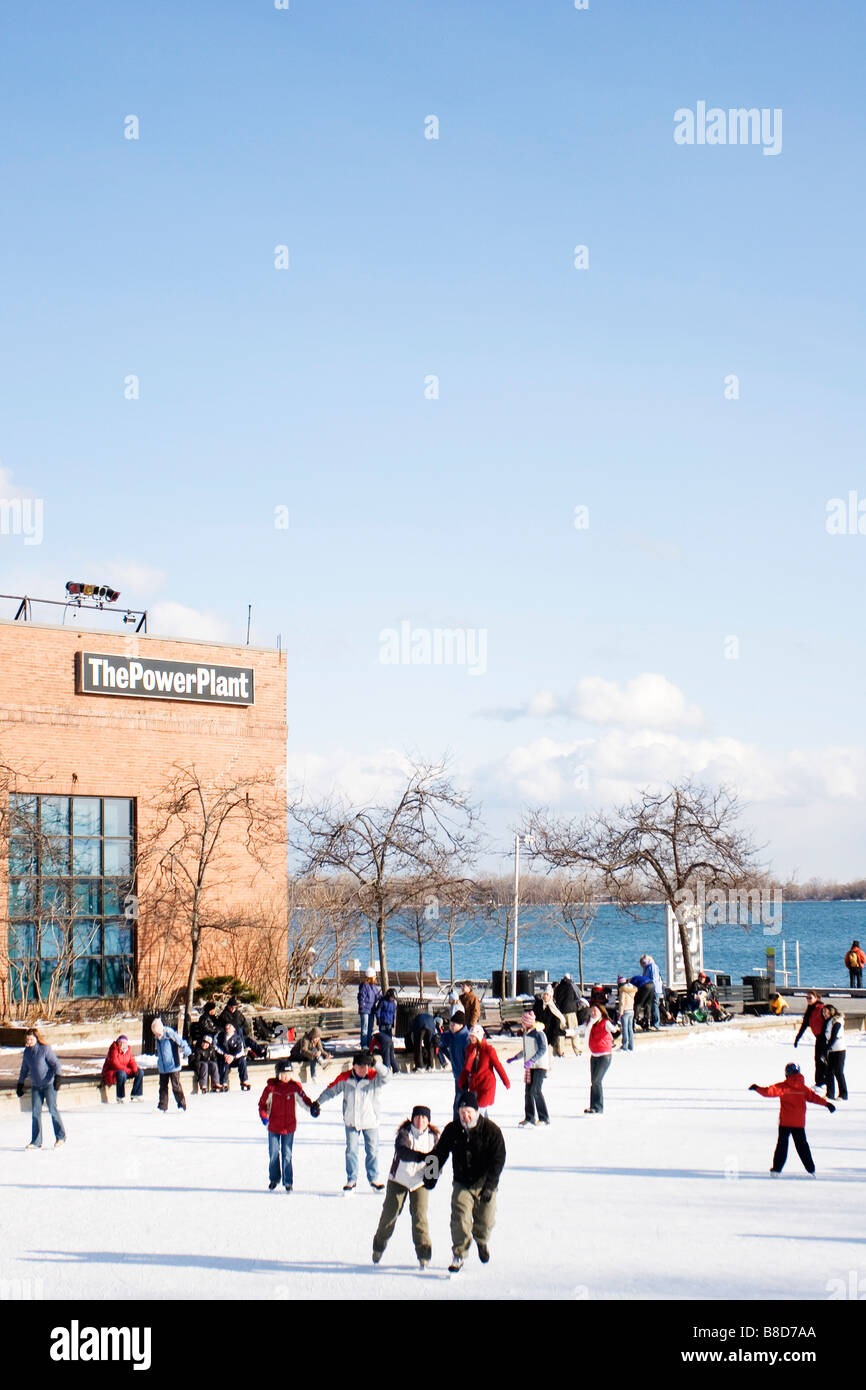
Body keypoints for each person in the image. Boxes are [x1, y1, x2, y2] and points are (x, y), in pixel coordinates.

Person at [423, 1090, 506, 1273]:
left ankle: (482, 1240)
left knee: (486, 1219)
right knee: (460, 1218)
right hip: (462, 1182)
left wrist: (490, 1185)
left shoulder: (491, 1130)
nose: (465, 1116)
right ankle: (459, 1253)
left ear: (476, 1112)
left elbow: (498, 1159)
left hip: (485, 1182)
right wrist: (430, 1176)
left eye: (468, 1112)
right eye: (461, 1113)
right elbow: (439, 1153)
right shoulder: (453, 1130)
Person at [372, 1105, 440, 1269]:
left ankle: (424, 1254)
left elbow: (438, 1159)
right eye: (417, 1117)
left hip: (419, 1182)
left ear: (428, 1121)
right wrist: (421, 1157)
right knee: (389, 1215)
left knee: (420, 1217)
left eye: (424, 1118)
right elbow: (402, 1151)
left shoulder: (433, 1138)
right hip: (399, 1179)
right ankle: (378, 1247)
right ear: (412, 1119)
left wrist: (431, 1177)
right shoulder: (405, 1133)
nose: (420, 1121)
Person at [317, 1050, 389, 1191]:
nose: (364, 1069)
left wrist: (376, 1064)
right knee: (351, 1151)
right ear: (354, 1066)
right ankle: (351, 1179)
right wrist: (318, 1102)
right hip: (351, 1121)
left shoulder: (374, 1077)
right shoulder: (345, 1078)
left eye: (366, 1066)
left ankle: (374, 1178)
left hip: (370, 1121)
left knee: (373, 1151)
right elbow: (331, 1090)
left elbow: (387, 1077)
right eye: (360, 1066)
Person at [749, 1062, 834, 1175]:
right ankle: (811, 1169)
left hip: (785, 1122)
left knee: (782, 1145)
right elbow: (814, 1098)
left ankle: (777, 1169)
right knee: (802, 1146)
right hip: (799, 1123)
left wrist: (757, 1088)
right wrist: (827, 1104)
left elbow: (768, 1092)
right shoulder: (803, 1088)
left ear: (787, 1073)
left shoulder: (783, 1086)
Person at [258, 1059, 318, 1191]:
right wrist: (264, 1117)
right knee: (273, 1152)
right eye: (284, 1074)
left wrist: (312, 1108)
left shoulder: (295, 1087)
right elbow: (262, 1104)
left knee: (287, 1154)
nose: (286, 1077)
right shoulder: (271, 1088)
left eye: (289, 1074)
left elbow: (304, 1101)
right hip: (273, 1125)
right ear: (278, 1074)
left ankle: (288, 1181)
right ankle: (274, 1179)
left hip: (289, 1126)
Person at [16, 1029, 66, 1149]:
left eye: (31, 1039)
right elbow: (24, 1069)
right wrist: (20, 1083)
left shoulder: (45, 1049)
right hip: (36, 1086)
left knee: (52, 1110)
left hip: (49, 1084)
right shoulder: (27, 1052)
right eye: (27, 1039)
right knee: (35, 1113)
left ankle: (60, 1137)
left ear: (36, 1039)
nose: (29, 1041)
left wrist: (58, 1077)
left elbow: (56, 1064)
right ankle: (36, 1141)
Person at [508, 1010, 550, 1127]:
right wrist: (515, 1057)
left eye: (523, 1022)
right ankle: (529, 1117)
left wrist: (533, 1059)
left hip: (540, 1066)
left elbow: (542, 1049)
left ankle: (544, 1118)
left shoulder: (538, 1033)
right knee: (528, 1092)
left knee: (535, 1090)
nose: (522, 1024)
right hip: (530, 1067)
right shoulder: (527, 1033)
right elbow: (527, 1050)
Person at [458, 1025, 511, 1115]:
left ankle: (482, 1129)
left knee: (478, 1113)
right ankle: (487, 1129)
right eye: (470, 1036)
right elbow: (466, 1068)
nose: (471, 1038)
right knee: (481, 1114)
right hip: (474, 1086)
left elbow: (498, 1066)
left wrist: (506, 1081)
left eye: (474, 1036)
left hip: (486, 1085)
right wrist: (461, 1081)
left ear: (479, 1037)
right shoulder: (469, 1050)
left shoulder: (488, 1050)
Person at [151, 1017, 191, 1111]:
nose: (156, 1035)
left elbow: (181, 1042)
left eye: (157, 1033)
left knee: (176, 1086)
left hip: (173, 1065)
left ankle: (182, 1105)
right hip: (163, 1067)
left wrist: (188, 1051)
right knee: (162, 1087)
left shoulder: (169, 1034)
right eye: (155, 1033)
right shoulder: (157, 1038)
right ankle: (162, 1106)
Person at [436, 1011, 471, 1117]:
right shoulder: (451, 1035)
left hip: (468, 1075)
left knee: (467, 1102)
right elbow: (442, 1041)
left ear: (461, 1025)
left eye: (453, 1025)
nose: (450, 1027)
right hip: (458, 1074)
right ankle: (457, 1125)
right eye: (450, 1025)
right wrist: (438, 1039)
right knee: (458, 1102)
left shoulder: (466, 1038)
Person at [582, 1003, 615, 1113]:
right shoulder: (590, 1024)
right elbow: (578, 1029)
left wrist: (616, 1031)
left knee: (597, 1080)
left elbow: (613, 1030)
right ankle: (593, 1106)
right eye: (592, 1011)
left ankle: (599, 1107)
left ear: (601, 1012)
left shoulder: (605, 1023)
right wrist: (565, 1032)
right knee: (593, 1082)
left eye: (595, 1011)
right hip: (594, 1055)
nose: (593, 1013)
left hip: (604, 1056)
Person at [793, 991, 826, 1088]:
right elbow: (804, 1025)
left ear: (816, 998)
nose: (808, 1000)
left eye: (810, 998)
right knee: (817, 1060)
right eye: (807, 998)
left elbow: (827, 1022)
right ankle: (819, 1082)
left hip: (824, 1038)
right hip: (818, 1037)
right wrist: (797, 1038)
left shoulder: (820, 1008)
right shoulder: (810, 1009)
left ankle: (823, 1082)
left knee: (822, 1060)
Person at [101, 1035, 143, 1102]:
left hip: (124, 1071)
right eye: (120, 1042)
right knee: (121, 1074)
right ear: (117, 1042)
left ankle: (136, 1093)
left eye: (124, 1042)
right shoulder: (113, 1050)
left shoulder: (127, 1051)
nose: (122, 1044)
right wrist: (128, 1070)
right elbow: (115, 1064)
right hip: (112, 1072)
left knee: (140, 1072)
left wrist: (134, 1069)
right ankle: (120, 1096)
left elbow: (131, 1061)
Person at [821, 1005, 848, 1101]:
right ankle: (830, 1094)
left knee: (838, 1071)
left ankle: (843, 1094)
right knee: (829, 1072)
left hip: (839, 1049)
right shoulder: (828, 1022)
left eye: (826, 1012)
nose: (824, 1014)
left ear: (831, 1011)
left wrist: (826, 1049)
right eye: (823, 1012)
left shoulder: (837, 1021)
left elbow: (834, 1036)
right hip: (831, 1050)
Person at [215, 1021, 251, 1091]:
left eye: (230, 1027)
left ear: (234, 1029)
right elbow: (215, 1046)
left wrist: (233, 1057)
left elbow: (241, 1051)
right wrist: (225, 1055)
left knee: (242, 1061)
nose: (227, 1029)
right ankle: (223, 1082)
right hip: (224, 1057)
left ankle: (244, 1080)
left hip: (234, 1058)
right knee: (224, 1063)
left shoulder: (237, 1038)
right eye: (226, 1027)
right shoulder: (220, 1036)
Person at [553, 974, 581, 1055]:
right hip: (571, 1011)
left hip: (561, 1011)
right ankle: (577, 1050)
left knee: (561, 1032)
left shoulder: (558, 987)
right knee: (574, 1031)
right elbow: (579, 994)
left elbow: (555, 998)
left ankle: (560, 1051)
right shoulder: (571, 985)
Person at [534, 986, 566, 1055]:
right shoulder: (538, 1004)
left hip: (549, 1035)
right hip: (538, 1033)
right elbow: (534, 1016)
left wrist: (552, 1041)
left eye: (547, 994)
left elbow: (556, 1024)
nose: (545, 996)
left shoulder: (554, 1007)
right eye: (544, 994)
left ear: (550, 996)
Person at [374, 988, 398, 1075]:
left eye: (393, 998)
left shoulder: (393, 1004)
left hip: (389, 1024)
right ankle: (387, 1065)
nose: (392, 999)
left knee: (389, 1043)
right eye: (392, 997)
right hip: (383, 1023)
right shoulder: (383, 1002)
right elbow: (378, 1011)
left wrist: (392, 1023)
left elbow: (393, 1014)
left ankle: (392, 1066)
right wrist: (378, 1019)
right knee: (385, 1043)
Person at [358, 968, 381, 1050]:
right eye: (374, 976)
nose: (375, 977)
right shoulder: (364, 986)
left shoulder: (374, 987)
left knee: (370, 1027)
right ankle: (364, 1044)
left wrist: (382, 998)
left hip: (371, 1009)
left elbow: (377, 996)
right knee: (365, 1027)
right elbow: (361, 997)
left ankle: (369, 1043)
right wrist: (362, 1005)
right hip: (365, 1010)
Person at [643, 955, 664, 1029]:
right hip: (649, 988)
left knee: (655, 1005)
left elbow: (654, 979)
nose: (643, 964)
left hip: (654, 989)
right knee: (650, 1006)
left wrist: (651, 988)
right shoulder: (646, 968)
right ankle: (651, 1022)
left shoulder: (652, 967)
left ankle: (656, 1024)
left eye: (644, 962)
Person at [617, 976, 637, 1051]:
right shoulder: (632, 990)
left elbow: (622, 1002)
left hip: (625, 1010)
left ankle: (625, 1046)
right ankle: (631, 1046)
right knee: (630, 1029)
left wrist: (620, 1012)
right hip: (631, 1010)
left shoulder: (623, 990)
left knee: (624, 1029)